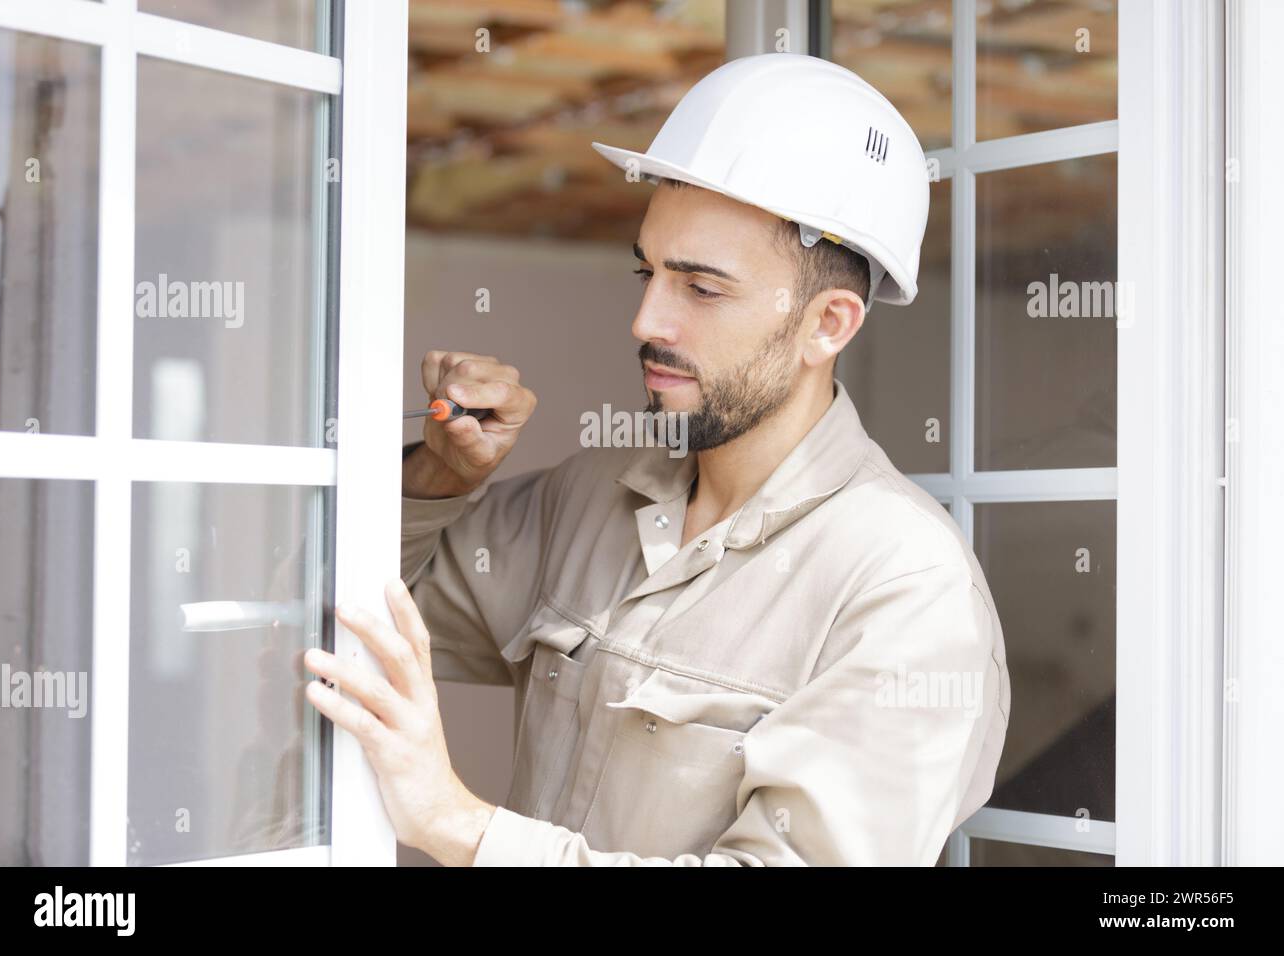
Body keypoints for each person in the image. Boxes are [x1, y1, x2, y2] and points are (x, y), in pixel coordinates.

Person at [304, 52, 1011, 866]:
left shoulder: (903, 591)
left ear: (830, 324)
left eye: (700, 289)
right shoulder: (593, 495)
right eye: (649, 271)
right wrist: (443, 477)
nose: (646, 320)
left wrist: (457, 824)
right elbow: (351, 608)